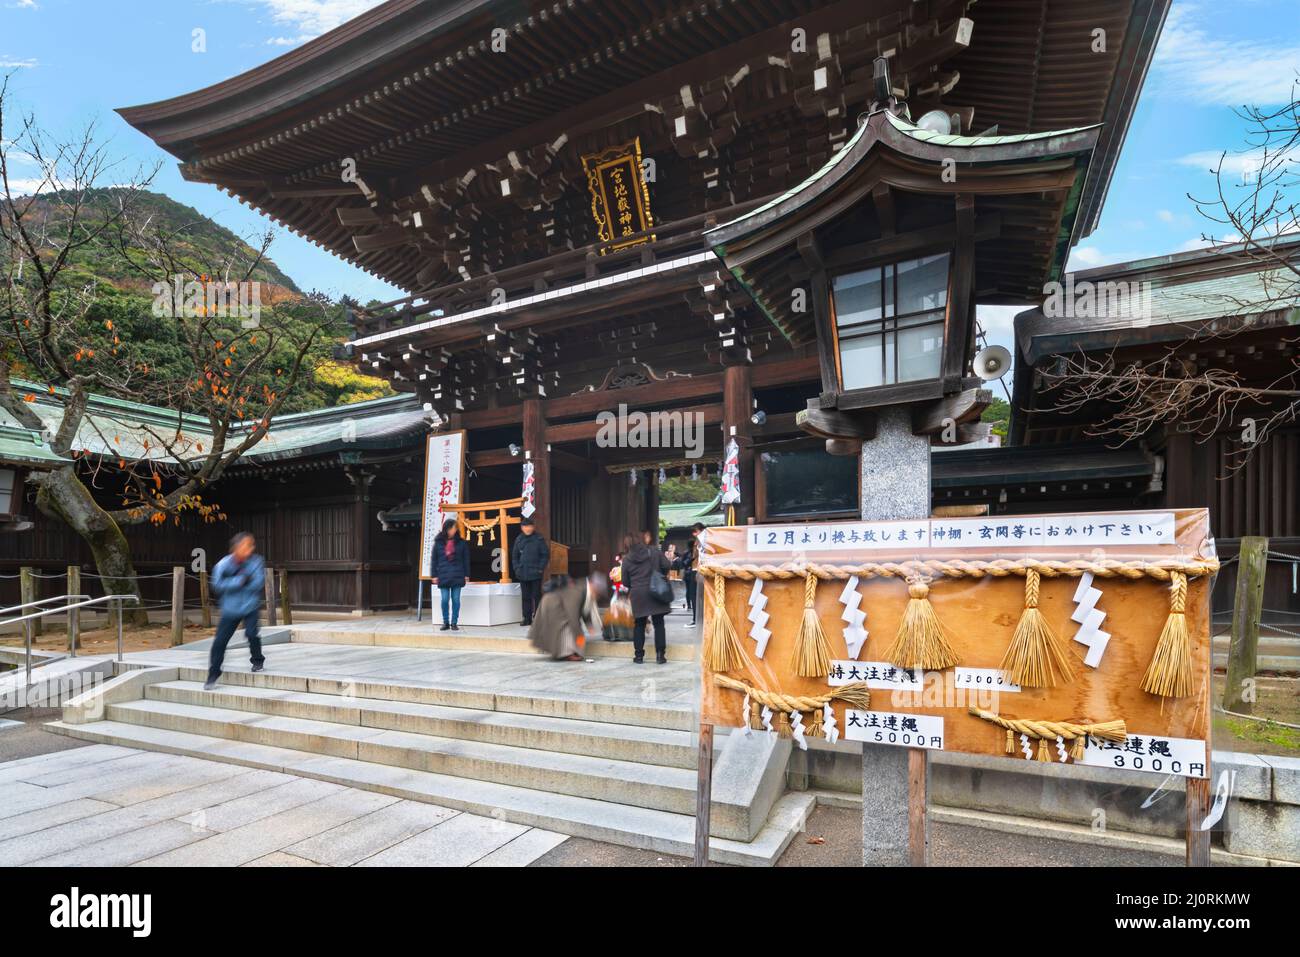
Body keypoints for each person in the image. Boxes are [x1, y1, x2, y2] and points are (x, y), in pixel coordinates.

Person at [205, 531, 266, 690]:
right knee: (220, 642)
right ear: (236, 547)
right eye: (246, 545)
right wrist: (240, 580)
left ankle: (257, 660)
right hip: (230, 608)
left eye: (251, 545)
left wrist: (235, 583)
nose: (251, 548)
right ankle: (214, 672)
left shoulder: (257, 561)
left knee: (252, 634)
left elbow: (258, 583)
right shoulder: (223, 564)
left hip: (250, 606)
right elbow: (217, 585)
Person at [528, 572, 606, 661]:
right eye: (597, 592)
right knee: (567, 628)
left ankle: (573, 651)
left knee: (576, 631)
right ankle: (567, 653)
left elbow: (585, 609)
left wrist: (589, 625)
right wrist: (579, 638)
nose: (597, 596)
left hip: (559, 605)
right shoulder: (577, 591)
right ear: (592, 586)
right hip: (552, 605)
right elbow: (573, 617)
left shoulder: (585, 589)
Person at [621, 529, 671, 664]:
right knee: (659, 623)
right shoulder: (654, 551)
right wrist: (659, 572)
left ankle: (638, 656)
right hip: (656, 590)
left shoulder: (626, 560)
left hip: (638, 594)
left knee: (639, 624)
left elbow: (625, 582)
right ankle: (660, 655)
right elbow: (667, 565)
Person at [431, 518, 470, 631]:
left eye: (455, 528)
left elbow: (466, 559)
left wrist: (466, 574)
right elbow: (434, 560)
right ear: (446, 529)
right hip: (443, 575)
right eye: (452, 528)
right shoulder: (438, 543)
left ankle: (454, 622)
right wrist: (434, 575)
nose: (454, 530)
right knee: (444, 599)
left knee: (456, 600)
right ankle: (445, 622)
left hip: (458, 574)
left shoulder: (462, 543)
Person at [511, 516, 549, 626]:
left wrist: (540, 568)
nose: (527, 529)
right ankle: (526, 618)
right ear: (522, 528)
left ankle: (538, 617)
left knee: (536, 595)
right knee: (525, 596)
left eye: (529, 526)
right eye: (525, 526)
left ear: (533, 527)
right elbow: (514, 556)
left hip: (536, 572)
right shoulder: (519, 539)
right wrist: (517, 568)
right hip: (522, 572)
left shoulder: (539, 539)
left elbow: (545, 555)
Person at [680, 522, 704, 626]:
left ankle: (696, 619)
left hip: (697, 570)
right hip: (699, 570)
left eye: (695, 531)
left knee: (694, 595)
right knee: (697, 596)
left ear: (700, 530)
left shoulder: (701, 540)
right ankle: (698, 618)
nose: (694, 534)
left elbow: (695, 556)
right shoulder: (701, 540)